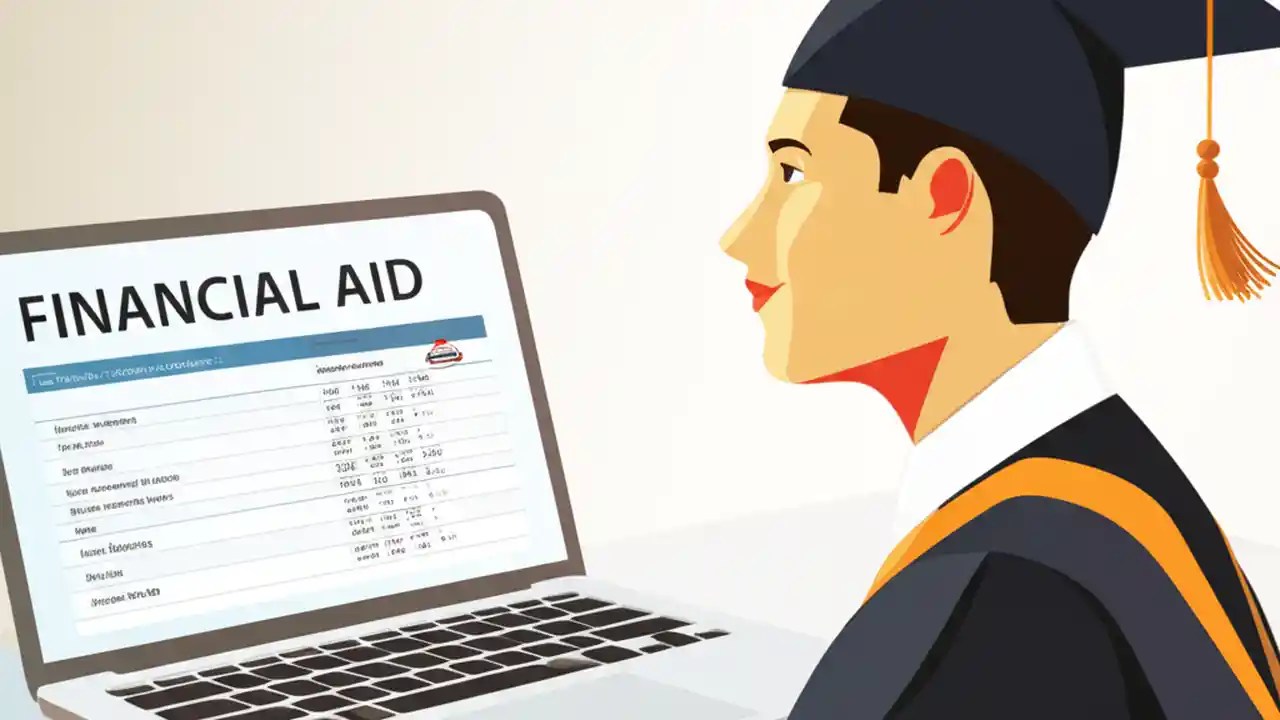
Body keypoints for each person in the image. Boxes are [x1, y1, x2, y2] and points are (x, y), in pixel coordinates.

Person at [718, 0, 1280, 717]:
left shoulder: (995, 595)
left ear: (944, 198)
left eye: (794, 176)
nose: (739, 236)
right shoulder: (1124, 489)